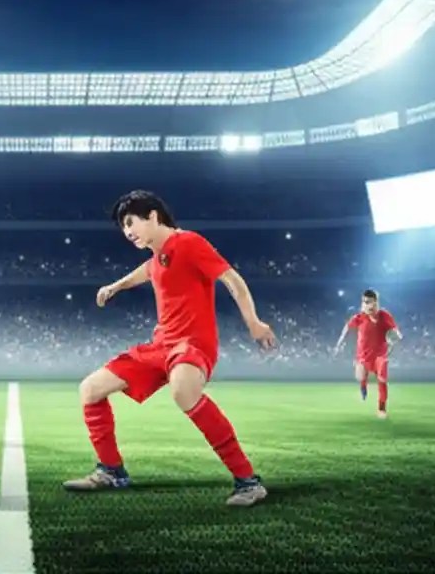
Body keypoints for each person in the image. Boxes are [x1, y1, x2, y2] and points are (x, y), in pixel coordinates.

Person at [63, 190, 276, 507]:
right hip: (160, 345)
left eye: (131, 222)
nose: (128, 232)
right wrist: (116, 286)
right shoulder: (158, 255)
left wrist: (254, 322)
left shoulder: (189, 242)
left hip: (192, 344)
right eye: (123, 227)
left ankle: (248, 481)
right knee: (90, 389)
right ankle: (111, 470)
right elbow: (147, 271)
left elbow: (232, 279)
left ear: (152, 216)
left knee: (183, 391)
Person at [333, 289, 402, 418]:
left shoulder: (385, 316)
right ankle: (363, 385)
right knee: (360, 375)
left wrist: (395, 337)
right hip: (363, 356)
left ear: (376, 303)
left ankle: (381, 409)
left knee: (382, 380)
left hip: (381, 355)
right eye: (364, 302)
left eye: (370, 302)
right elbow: (347, 327)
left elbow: (396, 333)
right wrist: (339, 343)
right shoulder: (359, 318)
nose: (367, 305)